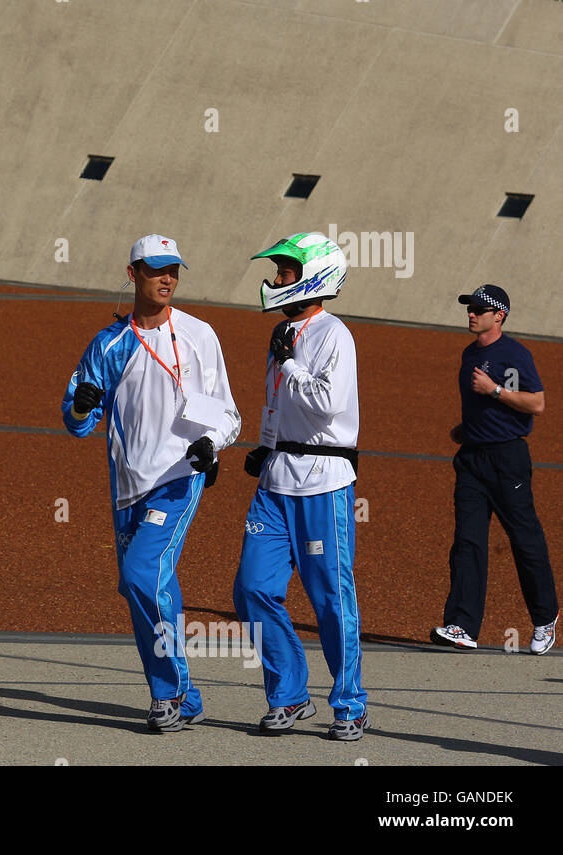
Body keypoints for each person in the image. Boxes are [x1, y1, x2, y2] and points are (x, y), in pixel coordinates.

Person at [61, 234, 240, 732]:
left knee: (143, 572)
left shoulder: (200, 335)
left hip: (180, 476)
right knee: (139, 584)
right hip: (128, 485)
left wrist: (212, 446)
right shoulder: (110, 343)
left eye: (174, 271)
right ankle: (182, 695)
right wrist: (81, 404)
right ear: (133, 272)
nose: (167, 279)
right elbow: (76, 420)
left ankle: (172, 692)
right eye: (157, 270)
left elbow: (229, 413)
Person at [233, 232, 368, 740]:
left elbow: (327, 403)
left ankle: (350, 704)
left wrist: (288, 363)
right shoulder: (285, 335)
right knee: (252, 589)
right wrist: (265, 445)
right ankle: (289, 697)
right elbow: (277, 404)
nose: (275, 279)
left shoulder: (334, 334)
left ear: (313, 277)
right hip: (276, 481)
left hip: (324, 484)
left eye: (285, 270)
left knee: (332, 597)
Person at [432, 284, 557, 656]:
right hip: (472, 460)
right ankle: (462, 625)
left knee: (525, 540)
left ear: (499, 315)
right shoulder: (470, 354)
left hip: (507, 460)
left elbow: (536, 403)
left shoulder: (514, 354)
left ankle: (545, 618)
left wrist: (495, 391)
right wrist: (466, 428)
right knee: (467, 541)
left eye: (479, 309)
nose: (471, 313)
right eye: (469, 308)